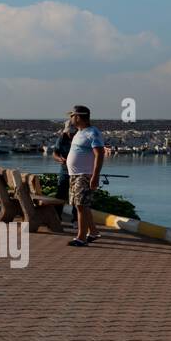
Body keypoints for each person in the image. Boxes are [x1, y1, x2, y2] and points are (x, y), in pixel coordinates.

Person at [65, 105, 104, 247]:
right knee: (81, 205)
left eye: (72, 116)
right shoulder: (79, 132)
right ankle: (93, 232)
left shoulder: (92, 133)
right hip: (75, 175)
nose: (70, 119)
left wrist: (95, 176)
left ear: (78, 117)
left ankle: (81, 238)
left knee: (80, 205)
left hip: (84, 175)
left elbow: (99, 153)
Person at [51, 120, 74, 226]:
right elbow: (55, 153)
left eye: (73, 132)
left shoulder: (80, 138)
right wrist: (60, 159)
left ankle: (75, 219)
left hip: (76, 171)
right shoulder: (62, 139)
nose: (71, 134)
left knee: (75, 196)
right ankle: (56, 217)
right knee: (61, 194)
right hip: (64, 170)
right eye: (69, 132)